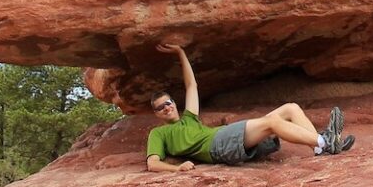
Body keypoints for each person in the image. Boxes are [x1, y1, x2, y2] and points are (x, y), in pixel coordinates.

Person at [146, 43, 352, 172]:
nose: (166, 108)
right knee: (272, 122)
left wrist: (180, 52)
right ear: (156, 114)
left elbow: (191, 85)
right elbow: (153, 163)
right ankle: (325, 141)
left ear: (173, 103)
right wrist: (177, 169)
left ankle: (319, 147)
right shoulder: (159, 133)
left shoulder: (189, 118)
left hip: (225, 137)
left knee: (291, 108)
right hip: (218, 146)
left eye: (168, 103)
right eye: (160, 108)